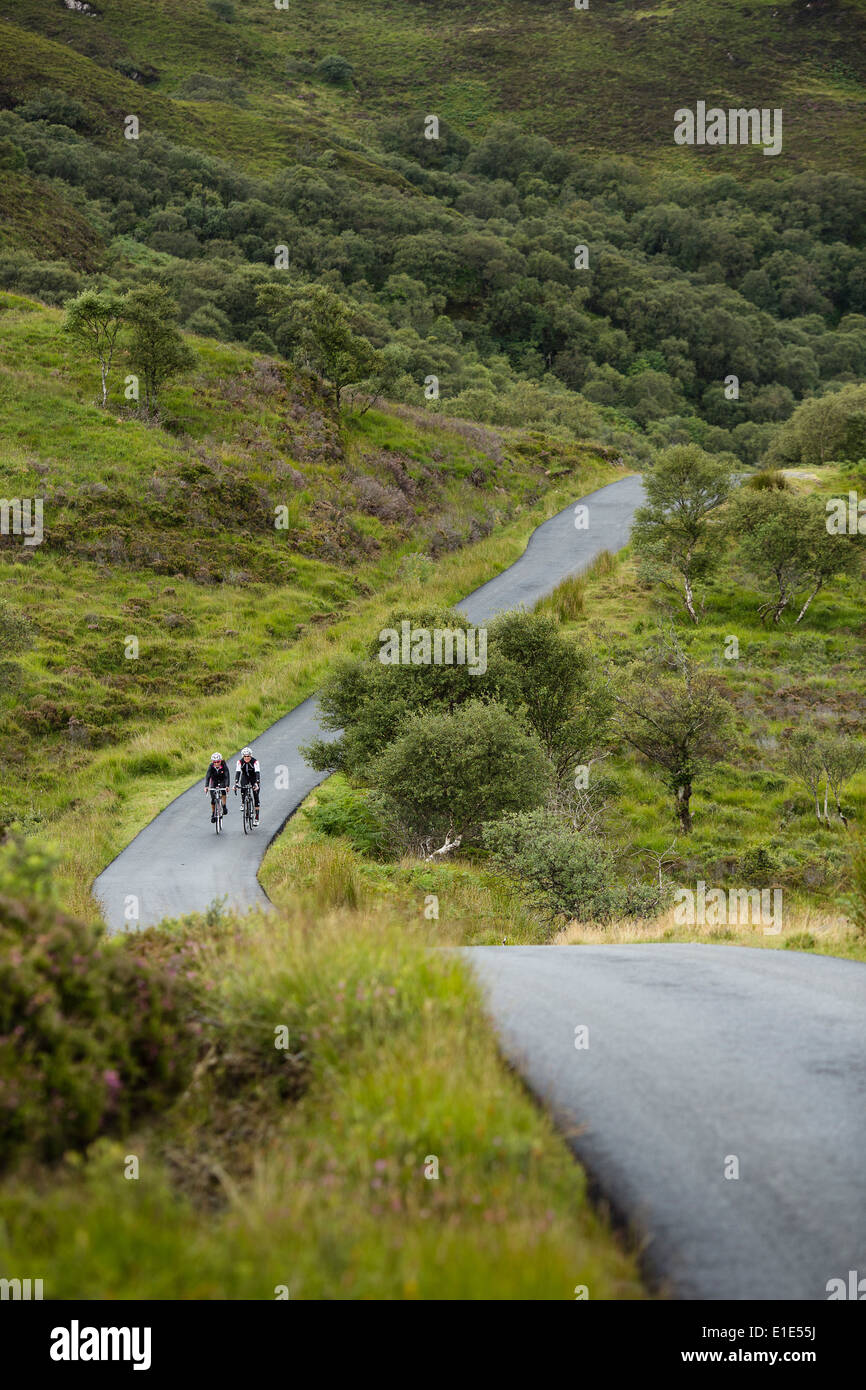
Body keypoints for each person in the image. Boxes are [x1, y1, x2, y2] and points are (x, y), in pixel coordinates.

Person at [234, 746, 261, 825]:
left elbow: (257, 773)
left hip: (253, 778)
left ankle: (256, 818)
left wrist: (257, 783)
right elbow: (238, 772)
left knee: (256, 797)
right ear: (243, 756)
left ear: (251, 755)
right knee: (243, 788)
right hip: (245, 777)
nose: (246, 758)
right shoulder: (239, 762)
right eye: (245, 756)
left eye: (248, 756)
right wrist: (236, 783)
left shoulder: (255, 762)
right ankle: (243, 802)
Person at [205, 752, 230, 823]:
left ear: (221, 761)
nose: (216, 763)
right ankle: (213, 814)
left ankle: (224, 806)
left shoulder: (224, 765)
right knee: (213, 799)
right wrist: (206, 786)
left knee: (223, 790)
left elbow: (227, 776)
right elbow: (207, 776)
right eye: (214, 762)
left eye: (218, 761)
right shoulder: (211, 766)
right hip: (214, 781)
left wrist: (227, 786)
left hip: (222, 780)